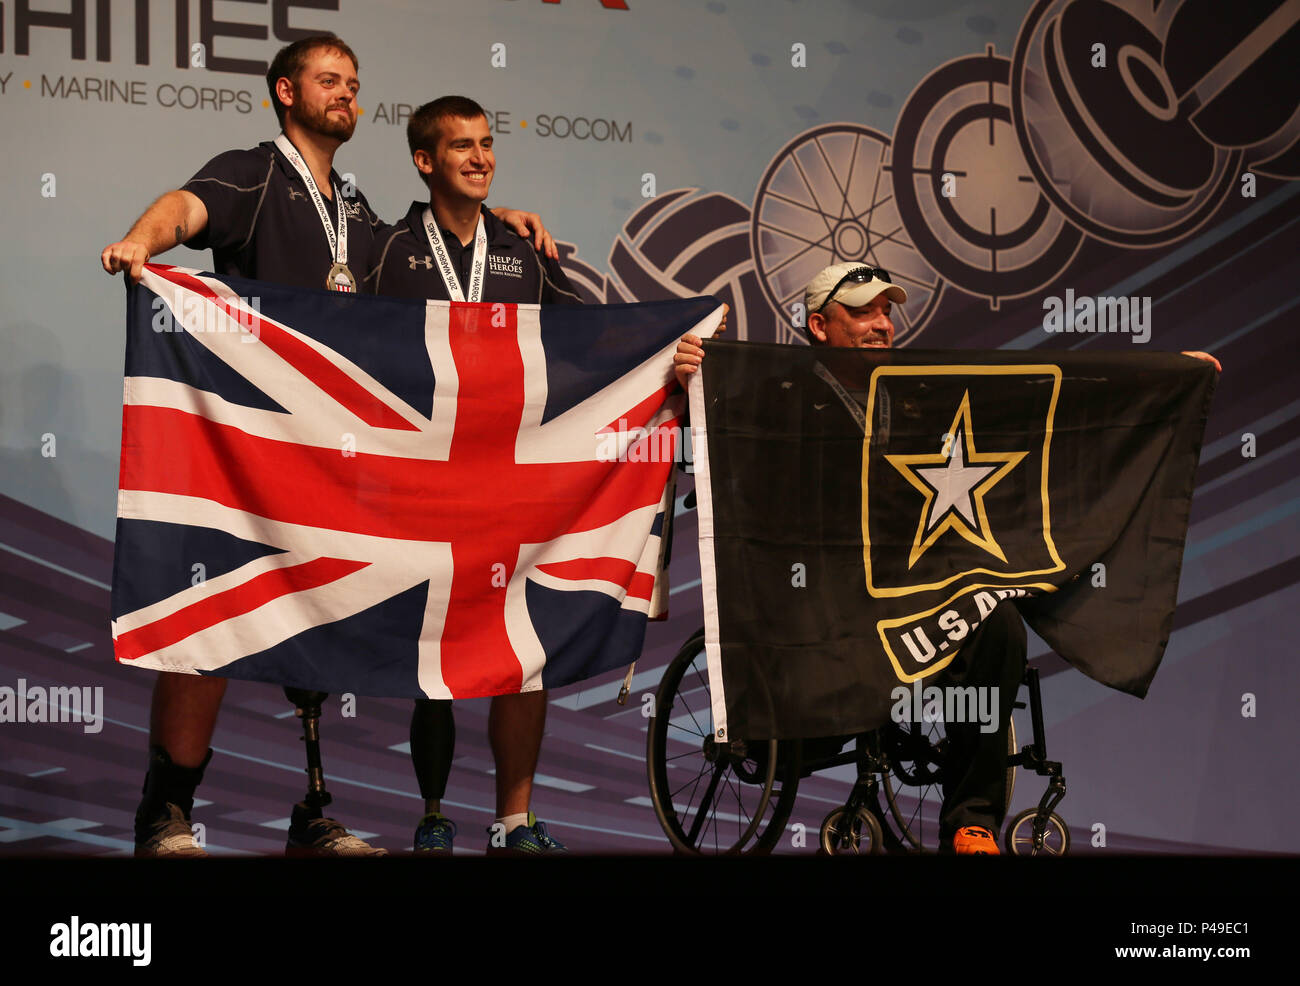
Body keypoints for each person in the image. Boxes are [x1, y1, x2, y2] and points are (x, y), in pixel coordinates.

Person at [101, 37, 554, 857]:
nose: (347, 94)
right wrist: (143, 242)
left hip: (321, 451)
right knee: (215, 622)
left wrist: (501, 218)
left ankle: (313, 811)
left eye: (353, 83)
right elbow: (182, 210)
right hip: (241, 444)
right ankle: (166, 812)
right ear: (285, 91)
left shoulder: (356, 211)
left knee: (316, 620)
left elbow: (415, 278)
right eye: (328, 81)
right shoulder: (253, 172)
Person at [674, 262, 1219, 854]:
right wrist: (698, 386)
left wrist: (1165, 381)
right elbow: (711, 469)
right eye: (862, 311)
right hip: (815, 593)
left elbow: (1055, 409)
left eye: (887, 311)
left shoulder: (926, 395)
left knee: (997, 621)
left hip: (911, 590)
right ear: (818, 324)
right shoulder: (772, 394)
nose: (882, 324)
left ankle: (971, 822)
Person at [362, 96, 581, 854]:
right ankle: (432, 811)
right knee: (437, 651)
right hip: (420, 482)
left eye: (488, 144)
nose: (481, 158)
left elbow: (588, 338)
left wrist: (668, 352)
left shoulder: (524, 252)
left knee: (521, 651)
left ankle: (514, 820)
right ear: (426, 162)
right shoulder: (386, 250)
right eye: (462, 147)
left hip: (511, 484)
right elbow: (337, 344)